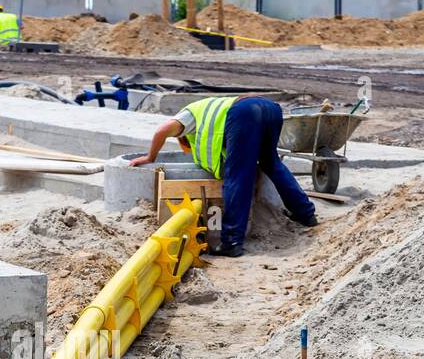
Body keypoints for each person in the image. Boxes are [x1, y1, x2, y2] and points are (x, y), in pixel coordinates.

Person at [130, 95, 317, 257]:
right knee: (271, 163)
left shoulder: (186, 118)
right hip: (270, 108)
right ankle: (305, 214)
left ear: (183, 135)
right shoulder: (208, 110)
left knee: (237, 175)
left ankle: (232, 242)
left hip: (244, 112)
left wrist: (150, 157)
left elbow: (161, 131)